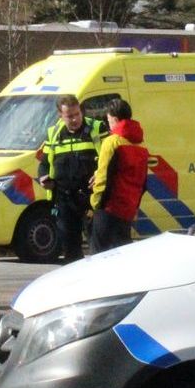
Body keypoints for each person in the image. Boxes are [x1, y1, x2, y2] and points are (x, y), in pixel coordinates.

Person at [34, 94, 107, 262]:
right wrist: (43, 177)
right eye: (70, 116)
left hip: (91, 198)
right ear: (61, 116)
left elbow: (111, 159)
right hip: (64, 199)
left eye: (77, 114)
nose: (75, 119)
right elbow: (44, 164)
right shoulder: (53, 134)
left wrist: (99, 173)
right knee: (70, 250)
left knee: (98, 249)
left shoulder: (97, 128)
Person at [89, 98, 149, 253]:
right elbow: (142, 182)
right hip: (127, 209)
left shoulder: (111, 142)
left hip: (109, 207)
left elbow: (103, 177)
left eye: (108, 120)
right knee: (122, 255)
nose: (108, 124)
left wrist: (96, 203)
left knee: (98, 257)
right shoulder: (140, 145)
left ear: (114, 119)